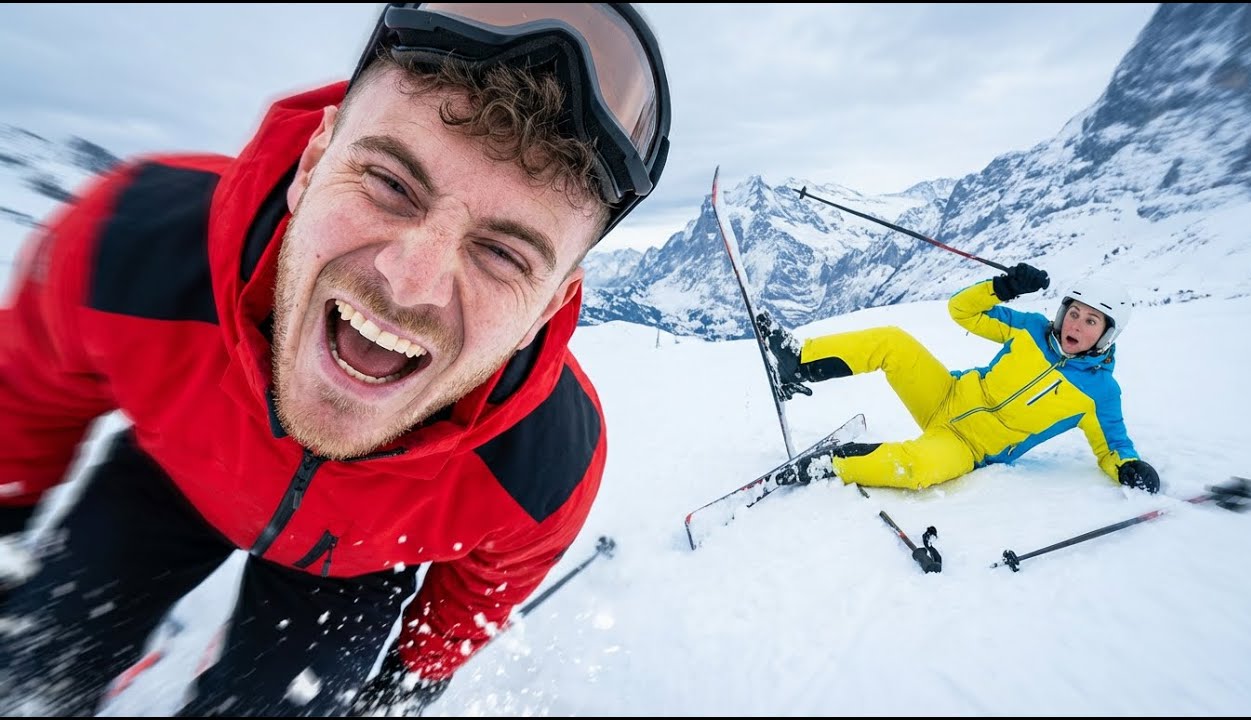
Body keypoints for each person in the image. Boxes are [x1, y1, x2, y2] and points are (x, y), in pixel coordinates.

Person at [0, 3, 672, 716]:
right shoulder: (133, 245)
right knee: (35, 671)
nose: (410, 280)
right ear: (314, 163)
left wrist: (413, 676)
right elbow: (25, 394)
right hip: (175, 476)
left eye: (504, 254)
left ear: (546, 308)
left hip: (354, 568)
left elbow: (484, 584)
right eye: (390, 184)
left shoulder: (547, 461)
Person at [758, 262, 1161, 495]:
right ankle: (797, 363)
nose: (1076, 324)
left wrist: (1128, 467)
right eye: (1074, 312)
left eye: (1091, 321)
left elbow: (1113, 444)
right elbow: (962, 312)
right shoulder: (1031, 330)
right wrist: (1002, 288)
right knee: (892, 342)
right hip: (945, 394)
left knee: (918, 470)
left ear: (1108, 334)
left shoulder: (1099, 392)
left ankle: (830, 465)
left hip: (968, 447)